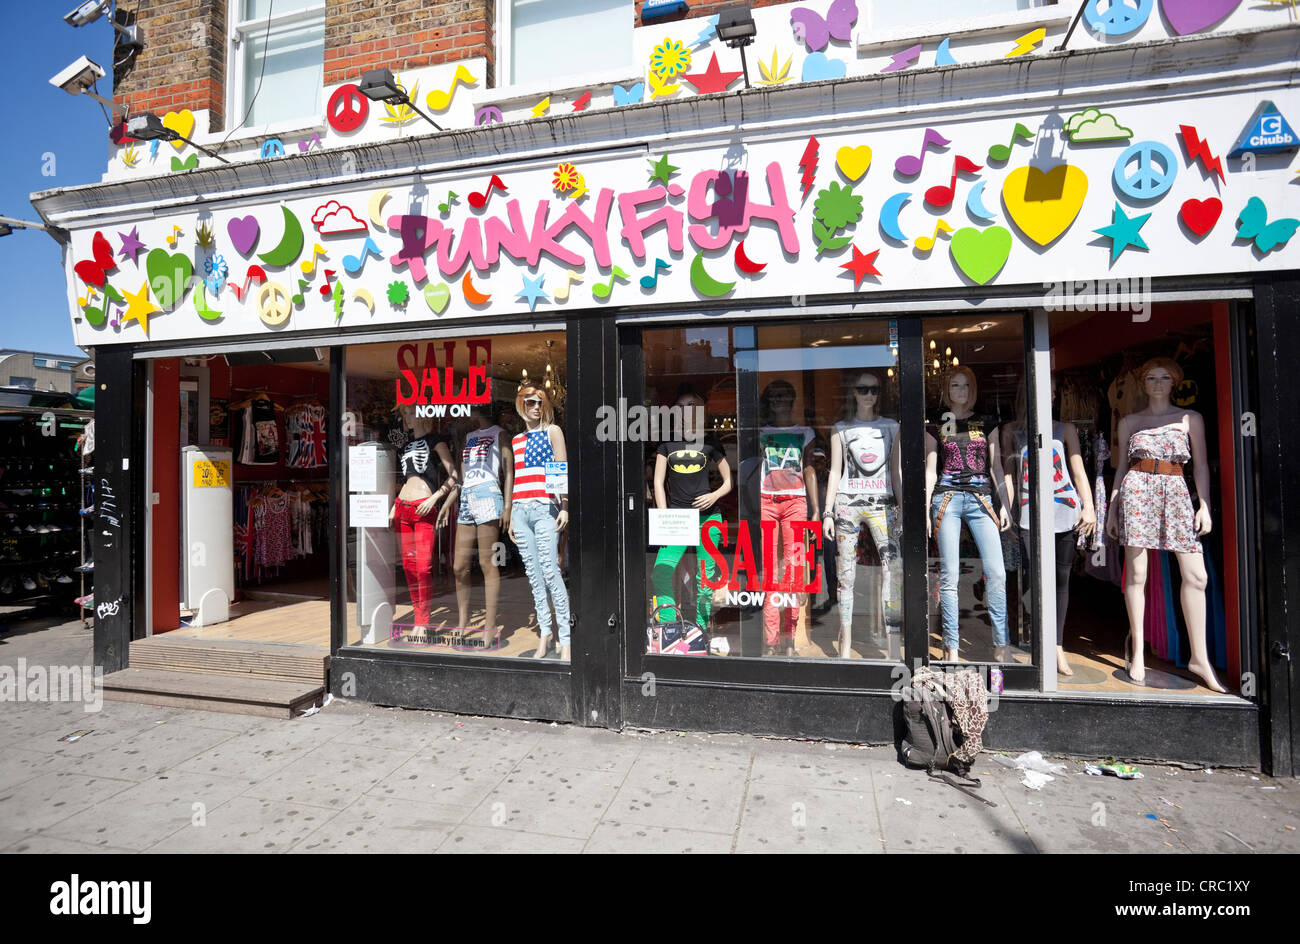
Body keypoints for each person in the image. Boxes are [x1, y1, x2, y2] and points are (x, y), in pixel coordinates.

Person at [1105, 357, 1224, 692]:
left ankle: (1199, 655)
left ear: (1175, 382)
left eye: (1164, 378)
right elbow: (1120, 468)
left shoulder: (1190, 419)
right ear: (1143, 383)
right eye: (1151, 378)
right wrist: (1112, 510)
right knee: (1137, 574)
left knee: (1196, 574)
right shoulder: (1130, 421)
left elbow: (1200, 465)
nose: (1157, 383)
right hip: (1137, 490)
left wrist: (1205, 505)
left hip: (1175, 491)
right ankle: (1139, 648)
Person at [924, 367, 1014, 663]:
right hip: (947, 497)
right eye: (954, 384)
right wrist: (927, 509)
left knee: (997, 572)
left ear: (972, 388)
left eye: (965, 385)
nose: (960, 390)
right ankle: (950, 646)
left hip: (981, 499)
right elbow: (930, 469)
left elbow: (996, 466)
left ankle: (1001, 645)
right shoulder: (938, 421)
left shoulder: (986, 422)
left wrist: (1005, 505)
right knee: (949, 575)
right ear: (947, 388)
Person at [822, 371, 901, 659]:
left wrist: (901, 506)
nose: (869, 395)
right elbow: (834, 471)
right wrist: (827, 512)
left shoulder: (892, 427)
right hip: (847, 502)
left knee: (893, 572)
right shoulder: (840, 429)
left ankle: (893, 642)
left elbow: (895, 471)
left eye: (875, 390)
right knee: (847, 576)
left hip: (883, 502)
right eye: (863, 389)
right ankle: (845, 640)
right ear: (853, 393)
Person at [651, 387, 732, 636]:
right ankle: (667, 625)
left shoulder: (711, 442)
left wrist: (714, 495)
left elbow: (729, 481)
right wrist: (664, 516)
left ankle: (700, 628)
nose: (689, 410)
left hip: (708, 517)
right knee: (661, 571)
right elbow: (657, 482)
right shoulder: (667, 442)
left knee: (705, 581)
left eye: (693, 405)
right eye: (683, 406)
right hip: (677, 518)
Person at [508, 384, 572, 660]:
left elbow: (560, 468)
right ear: (520, 404)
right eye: (530, 402)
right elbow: (518, 477)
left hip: (546, 507)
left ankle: (565, 637)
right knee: (534, 577)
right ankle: (545, 633)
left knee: (550, 571)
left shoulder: (552, 431)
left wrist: (565, 506)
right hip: (521, 509)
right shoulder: (516, 440)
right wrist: (511, 513)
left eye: (539, 403)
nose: (535, 407)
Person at [758, 379, 818, 657]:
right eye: (774, 396)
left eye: (784, 396)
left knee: (793, 571)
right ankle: (771, 642)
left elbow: (810, 470)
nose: (779, 401)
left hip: (796, 501)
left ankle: (790, 638)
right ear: (768, 402)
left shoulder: (805, 432)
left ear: (793, 400)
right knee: (771, 571)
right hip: (766, 501)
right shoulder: (759, 432)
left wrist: (817, 510)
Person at [391, 402, 458, 643]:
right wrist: (394, 505)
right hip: (403, 509)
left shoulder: (435, 441)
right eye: (404, 414)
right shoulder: (405, 445)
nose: (407, 418)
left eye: (410, 413)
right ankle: (418, 620)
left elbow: (454, 476)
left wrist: (435, 498)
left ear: (422, 415)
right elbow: (406, 479)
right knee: (409, 568)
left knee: (423, 568)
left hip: (424, 508)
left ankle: (424, 621)